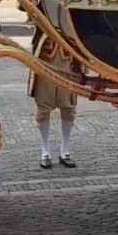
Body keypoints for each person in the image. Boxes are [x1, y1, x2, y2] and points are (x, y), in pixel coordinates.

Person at [29, 27, 79, 169]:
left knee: (68, 107)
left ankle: (65, 151)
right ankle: (45, 152)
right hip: (45, 57)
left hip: (67, 55)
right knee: (43, 107)